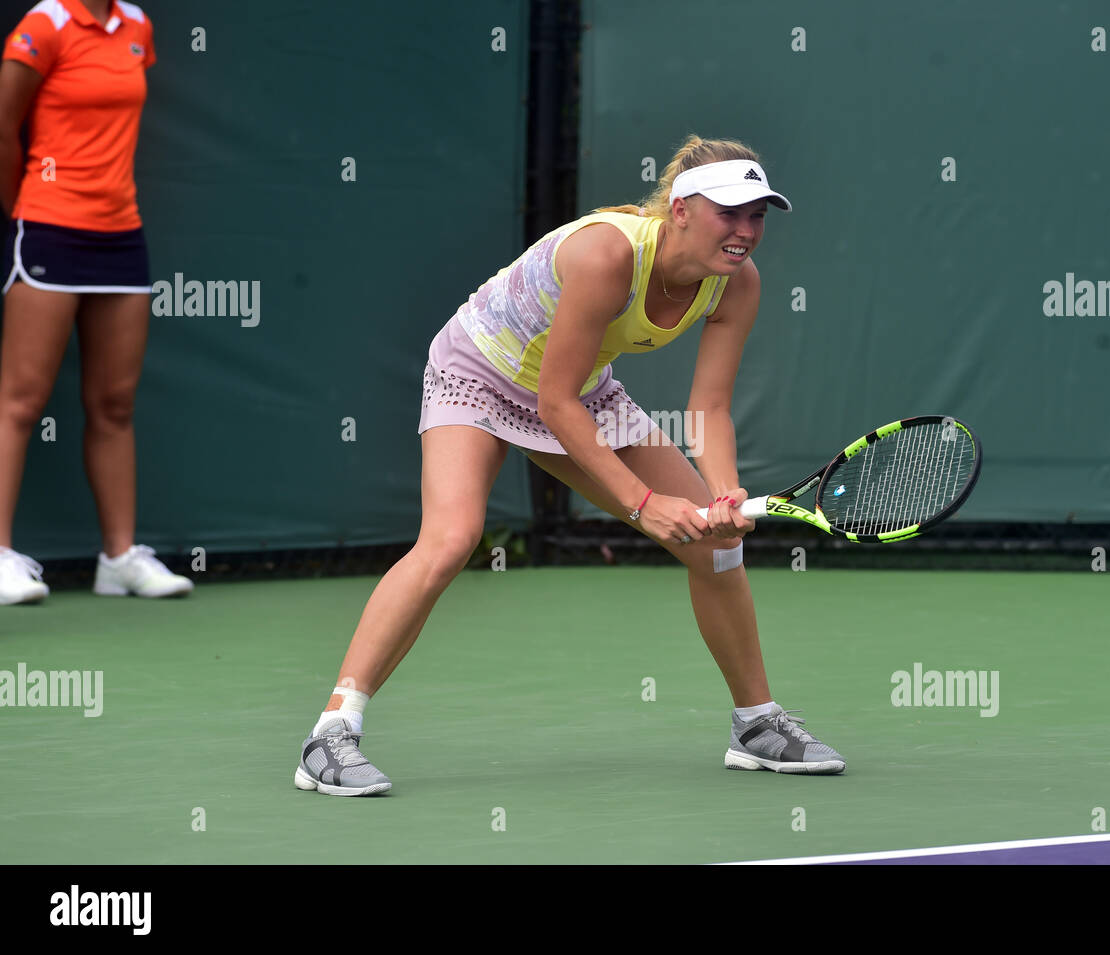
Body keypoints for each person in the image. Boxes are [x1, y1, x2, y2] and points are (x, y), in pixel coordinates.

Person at [295, 135, 845, 796]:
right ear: (679, 210)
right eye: (730, 213)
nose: (746, 231)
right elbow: (551, 403)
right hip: (479, 373)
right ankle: (330, 735)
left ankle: (757, 726)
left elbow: (711, 406)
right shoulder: (607, 254)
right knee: (450, 540)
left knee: (720, 546)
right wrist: (644, 504)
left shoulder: (737, 284)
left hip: (582, 391)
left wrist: (724, 492)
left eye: (757, 215)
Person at [0, 0, 192, 604]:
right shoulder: (45, 24)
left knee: (113, 402)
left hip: (120, 235)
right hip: (50, 227)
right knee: (21, 400)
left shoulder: (136, 25)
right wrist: (21, 210)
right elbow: (5, 122)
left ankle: (117, 560)